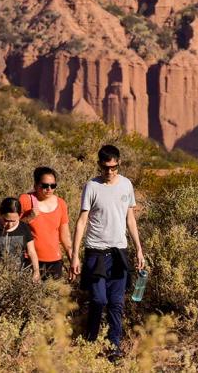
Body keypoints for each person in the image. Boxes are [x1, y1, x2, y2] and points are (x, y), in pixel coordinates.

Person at [72, 144, 145, 354]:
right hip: (96, 251)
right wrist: (75, 256)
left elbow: (130, 219)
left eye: (113, 167)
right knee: (98, 299)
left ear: (119, 163)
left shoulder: (126, 185)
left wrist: (138, 249)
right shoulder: (92, 186)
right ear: (99, 165)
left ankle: (114, 347)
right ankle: (90, 342)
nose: (110, 172)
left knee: (115, 303)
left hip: (119, 251)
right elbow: (81, 221)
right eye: (105, 168)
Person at [19, 167, 74, 280]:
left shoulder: (61, 204)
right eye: (44, 186)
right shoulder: (25, 200)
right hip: (29, 260)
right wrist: (29, 217)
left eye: (53, 186)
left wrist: (72, 260)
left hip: (55, 261)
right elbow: (14, 228)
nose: (49, 189)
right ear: (35, 185)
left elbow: (65, 237)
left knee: (53, 296)